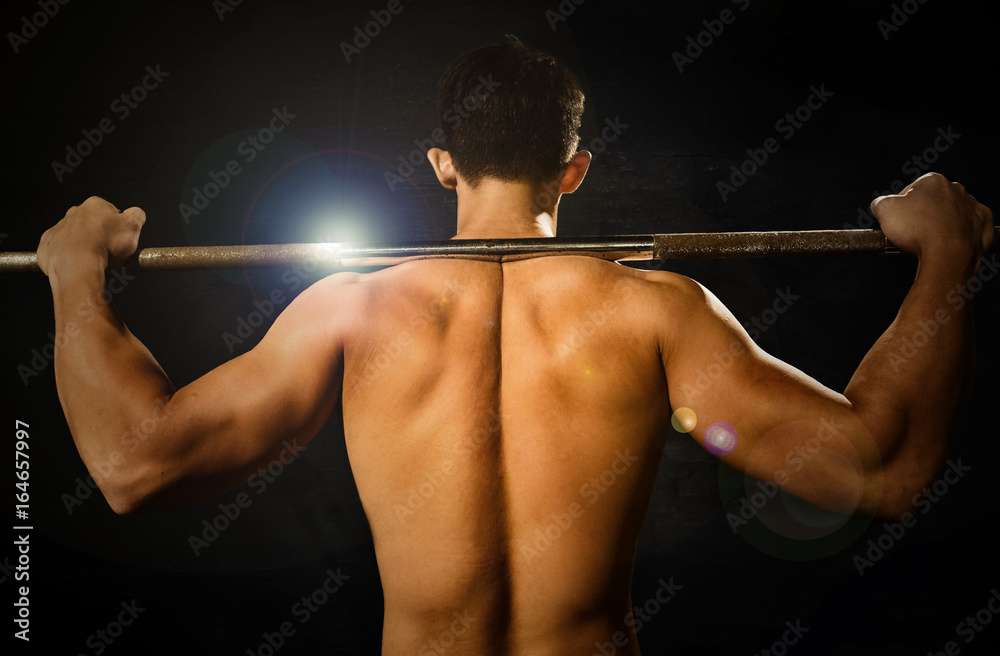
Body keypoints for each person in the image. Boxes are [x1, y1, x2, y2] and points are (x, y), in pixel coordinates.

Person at [36, 38, 993, 656]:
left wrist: (76, 275)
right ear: (574, 169)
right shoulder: (655, 311)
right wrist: (945, 255)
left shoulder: (351, 312)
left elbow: (134, 465)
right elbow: (882, 469)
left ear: (442, 164)